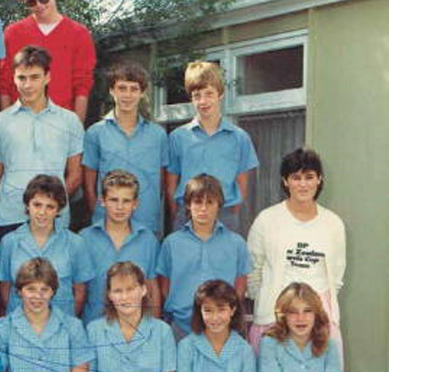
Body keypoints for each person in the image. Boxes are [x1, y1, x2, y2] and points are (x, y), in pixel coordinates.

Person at [246, 148, 345, 356]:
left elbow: (336, 275)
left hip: (320, 321)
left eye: (309, 177)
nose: (303, 184)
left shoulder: (333, 224)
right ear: (285, 181)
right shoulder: (266, 220)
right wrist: (266, 300)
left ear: (319, 180)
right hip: (273, 319)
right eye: (296, 177)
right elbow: (253, 271)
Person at [0, 45, 83, 240]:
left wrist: (53, 205)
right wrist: (16, 201)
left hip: (55, 219)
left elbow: (75, 174)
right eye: (21, 78)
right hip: (11, 217)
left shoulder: (69, 120)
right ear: (14, 78)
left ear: (47, 77)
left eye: (34, 77)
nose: (27, 85)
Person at [165, 61, 259, 234]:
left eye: (209, 93)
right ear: (191, 98)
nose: (203, 101)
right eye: (197, 95)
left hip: (225, 215)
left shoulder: (239, 138)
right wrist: (178, 212)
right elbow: (171, 183)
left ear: (220, 94)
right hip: (186, 214)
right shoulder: (178, 137)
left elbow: (242, 183)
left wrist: (230, 211)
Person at [0, 0, 96, 123]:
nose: (39, 5)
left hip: (62, 124)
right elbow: (5, 84)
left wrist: (76, 130)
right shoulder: (12, 33)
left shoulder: (79, 34)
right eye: (31, 1)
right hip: (21, 122)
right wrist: (8, 126)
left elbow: (82, 87)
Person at [157, 174, 251, 338]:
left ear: (219, 205)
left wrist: (221, 315)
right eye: (197, 202)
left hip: (221, 328)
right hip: (181, 328)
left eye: (210, 202)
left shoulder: (236, 244)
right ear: (188, 204)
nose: (203, 208)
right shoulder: (171, 244)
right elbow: (165, 287)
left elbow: (240, 287)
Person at [83, 61, 169, 236]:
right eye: (122, 88)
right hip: (106, 223)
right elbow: (89, 183)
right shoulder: (95, 133)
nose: (127, 95)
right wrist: (98, 211)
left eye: (134, 89)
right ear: (112, 91)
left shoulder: (158, 135)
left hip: (146, 222)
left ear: (142, 92)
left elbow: (162, 182)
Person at [0, 175, 91, 316]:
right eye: (37, 204)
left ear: (58, 209)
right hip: (19, 323)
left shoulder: (75, 243)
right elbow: (5, 286)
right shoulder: (10, 242)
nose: (42, 212)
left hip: (61, 323)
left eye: (50, 207)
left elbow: (80, 291)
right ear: (28, 205)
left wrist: (66, 323)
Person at [80, 170, 161, 322]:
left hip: (136, 328)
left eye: (126, 201)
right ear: (102, 201)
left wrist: (153, 330)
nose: (120, 207)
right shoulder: (85, 238)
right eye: (113, 200)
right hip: (94, 327)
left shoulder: (147, 239)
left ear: (135, 204)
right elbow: (79, 290)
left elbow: (152, 290)